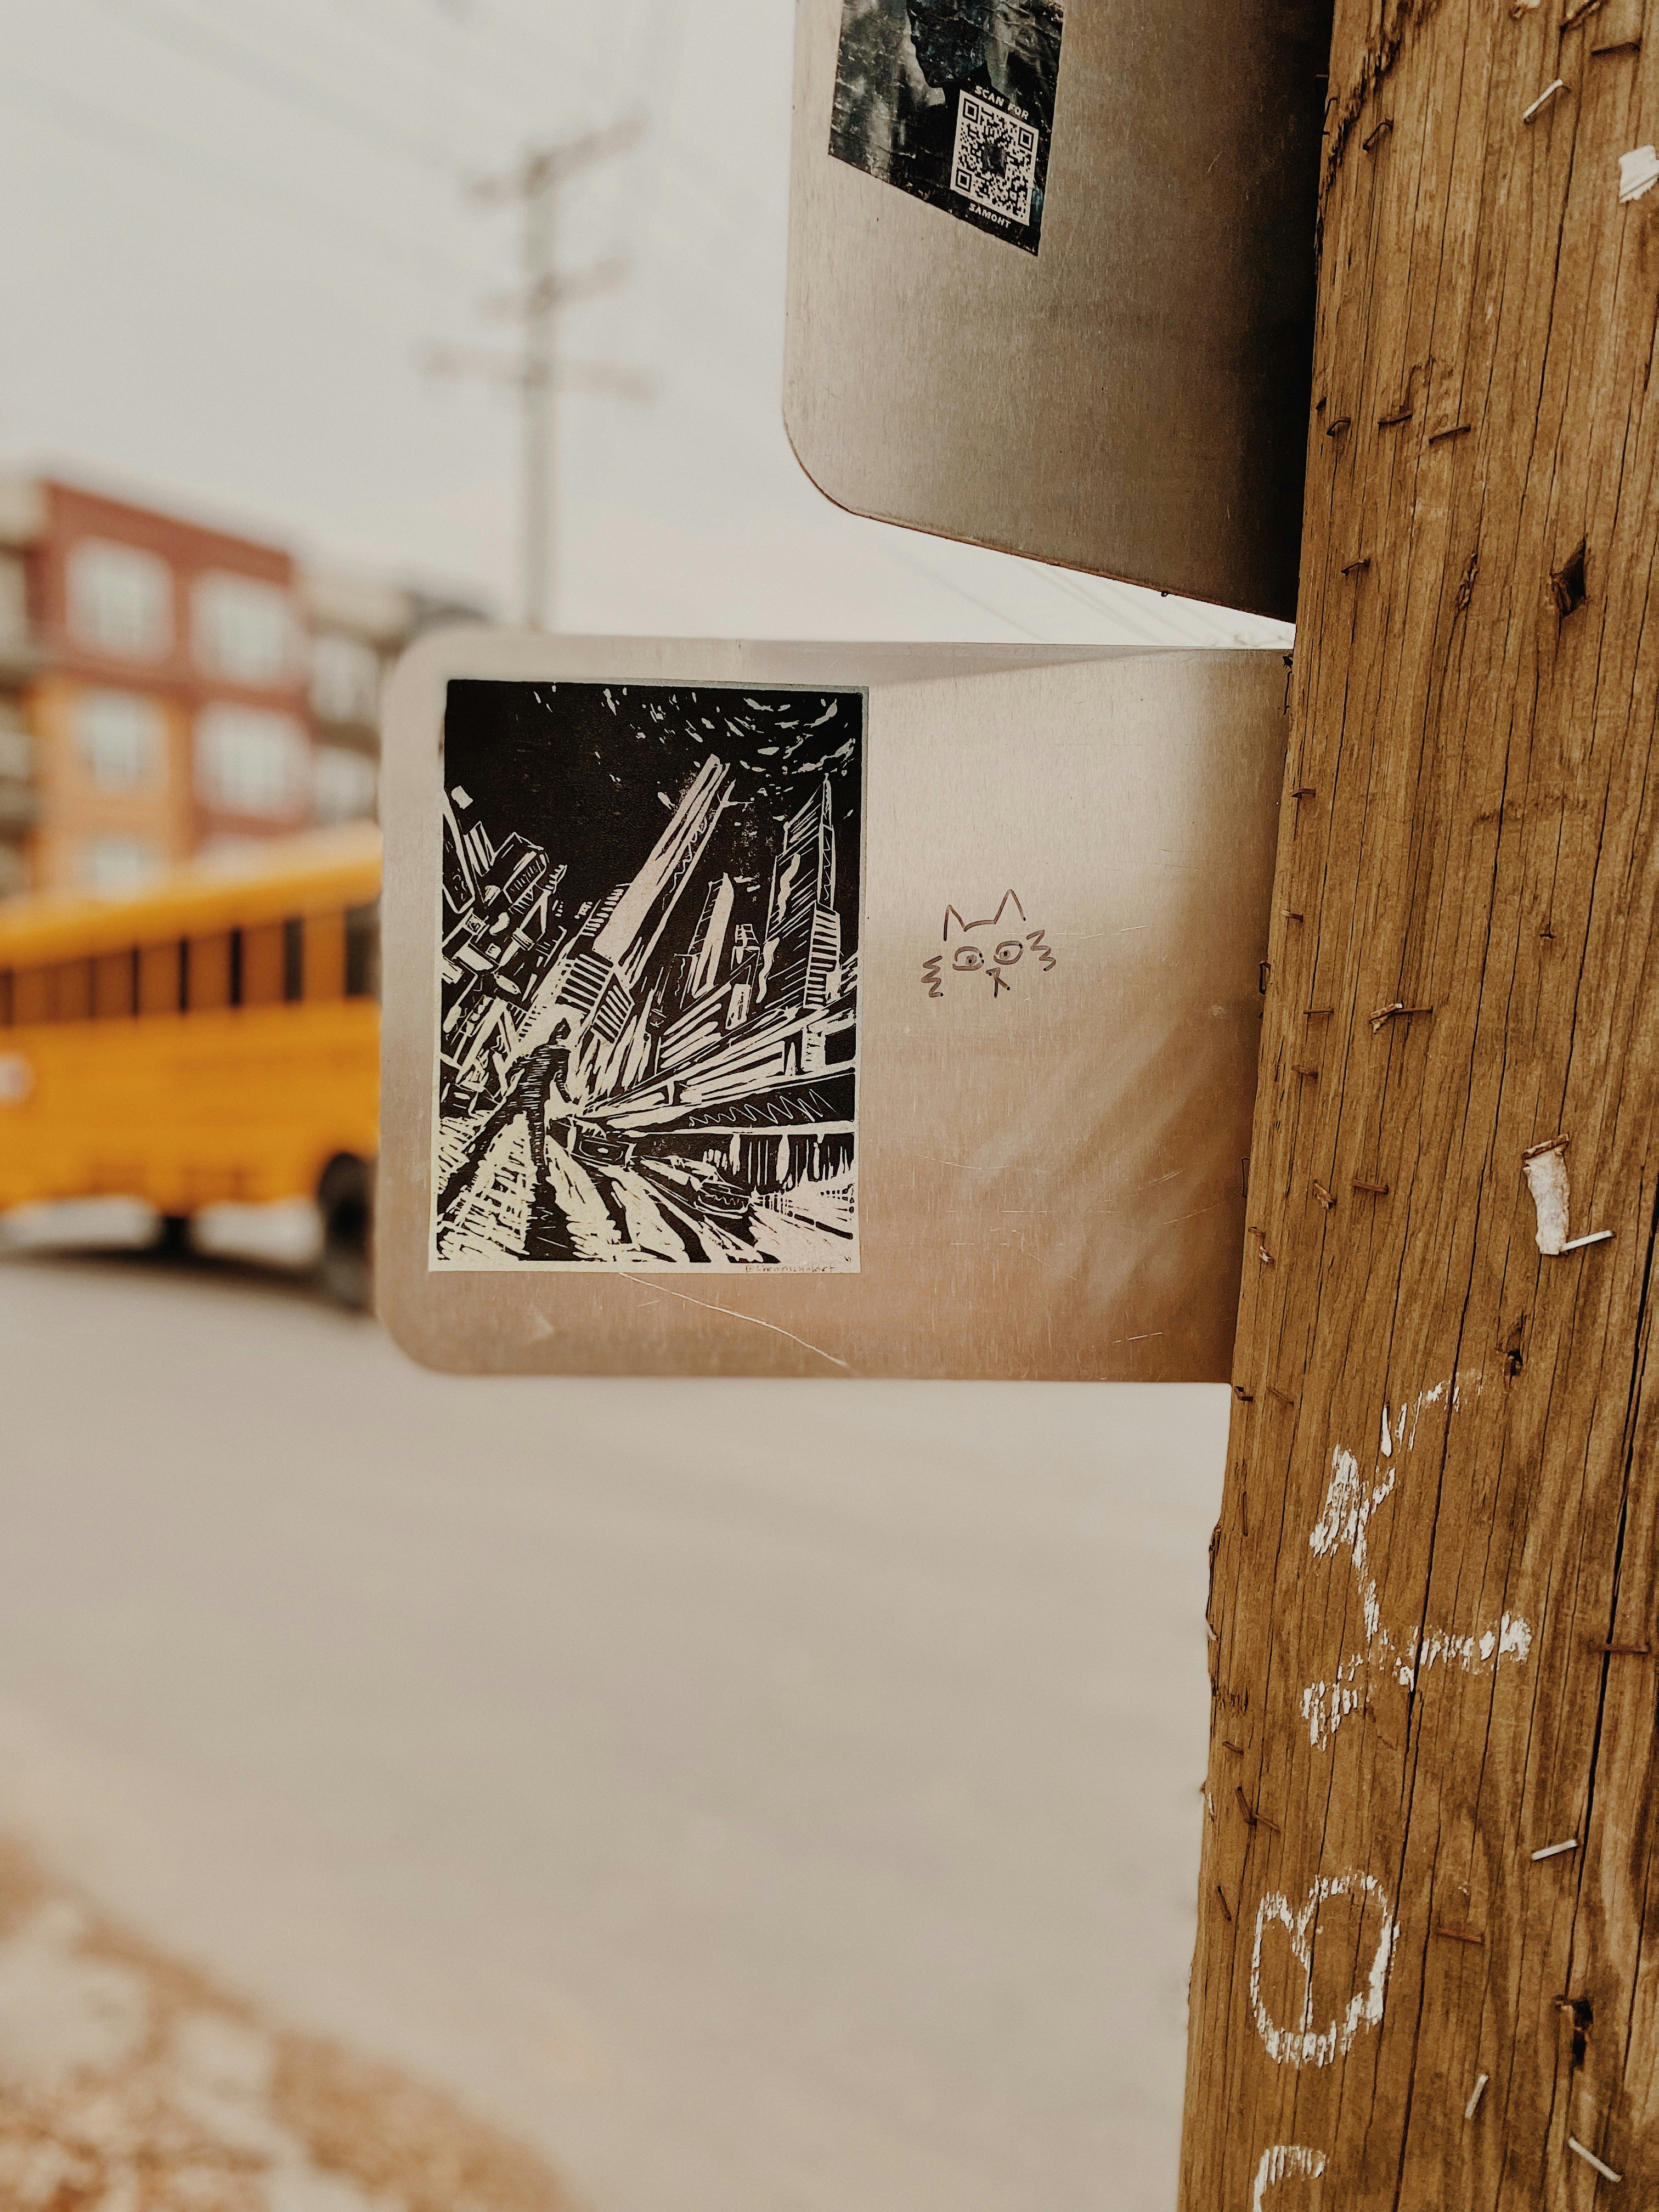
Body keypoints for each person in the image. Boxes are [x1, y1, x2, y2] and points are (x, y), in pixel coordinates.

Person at [831, 0, 945, 183]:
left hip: (877, 103)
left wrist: (929, 94)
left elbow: (906, 52)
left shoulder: (895, 8)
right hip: (842, 91)